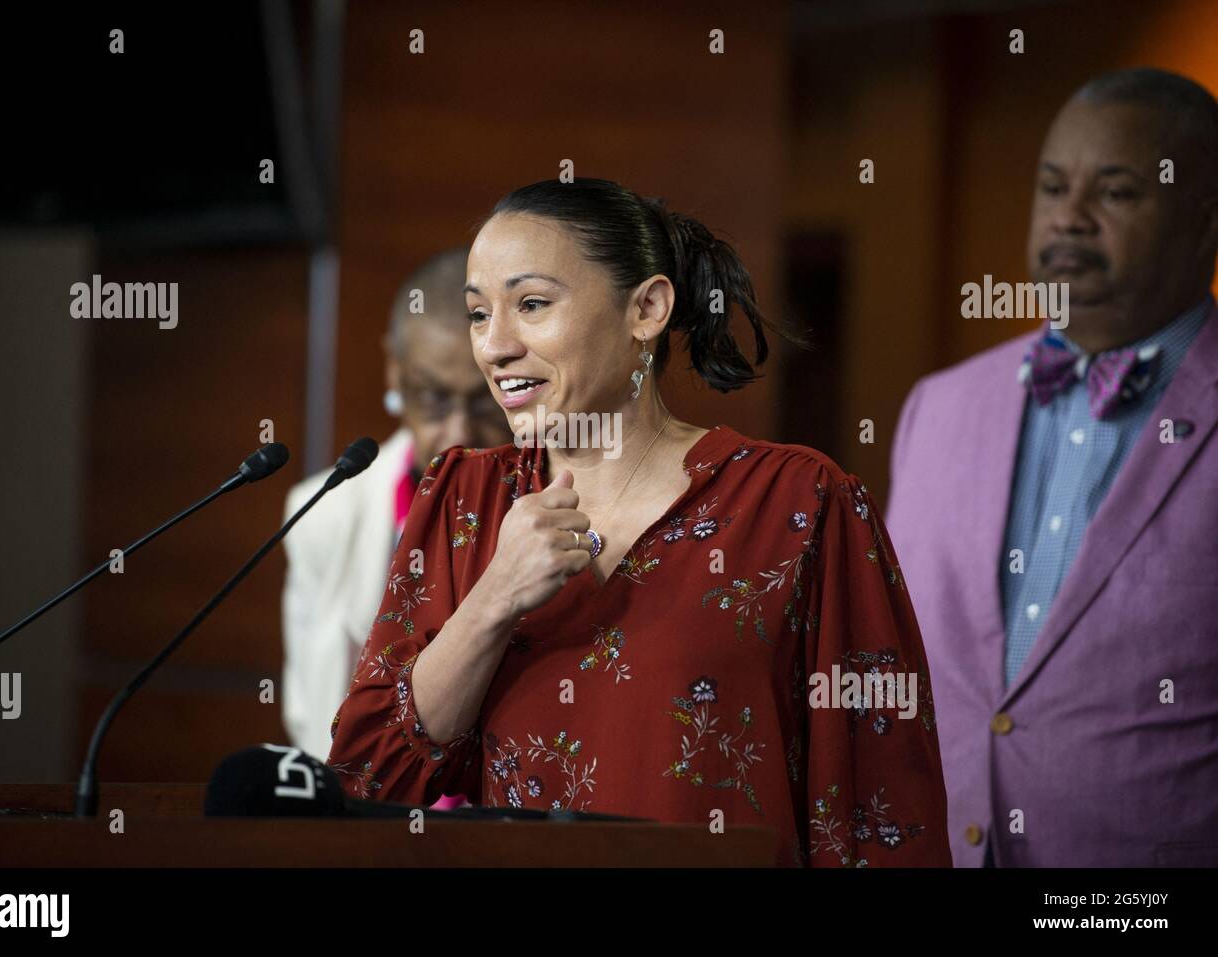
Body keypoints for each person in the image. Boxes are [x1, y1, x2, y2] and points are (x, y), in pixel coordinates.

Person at [326, 178, 951, 867]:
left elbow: (882, 806)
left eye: (531, 305)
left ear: (647, 308)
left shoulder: (798, 501)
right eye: (479, 314)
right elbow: (368, 777)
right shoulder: (463, 498)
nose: (495, 347)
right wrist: (494, 599)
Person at [887, 68, 1218, 866]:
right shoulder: (938, 404)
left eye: (1117, 192)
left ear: (1206, 224)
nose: (1068, 218)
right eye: (1052, 187)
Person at [281, 247, 509, 766]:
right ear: (395, 372)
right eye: (433, 398)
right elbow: (316, 717)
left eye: (482, 401)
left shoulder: (566, 499)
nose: (457, 432)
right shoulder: (324, 512)